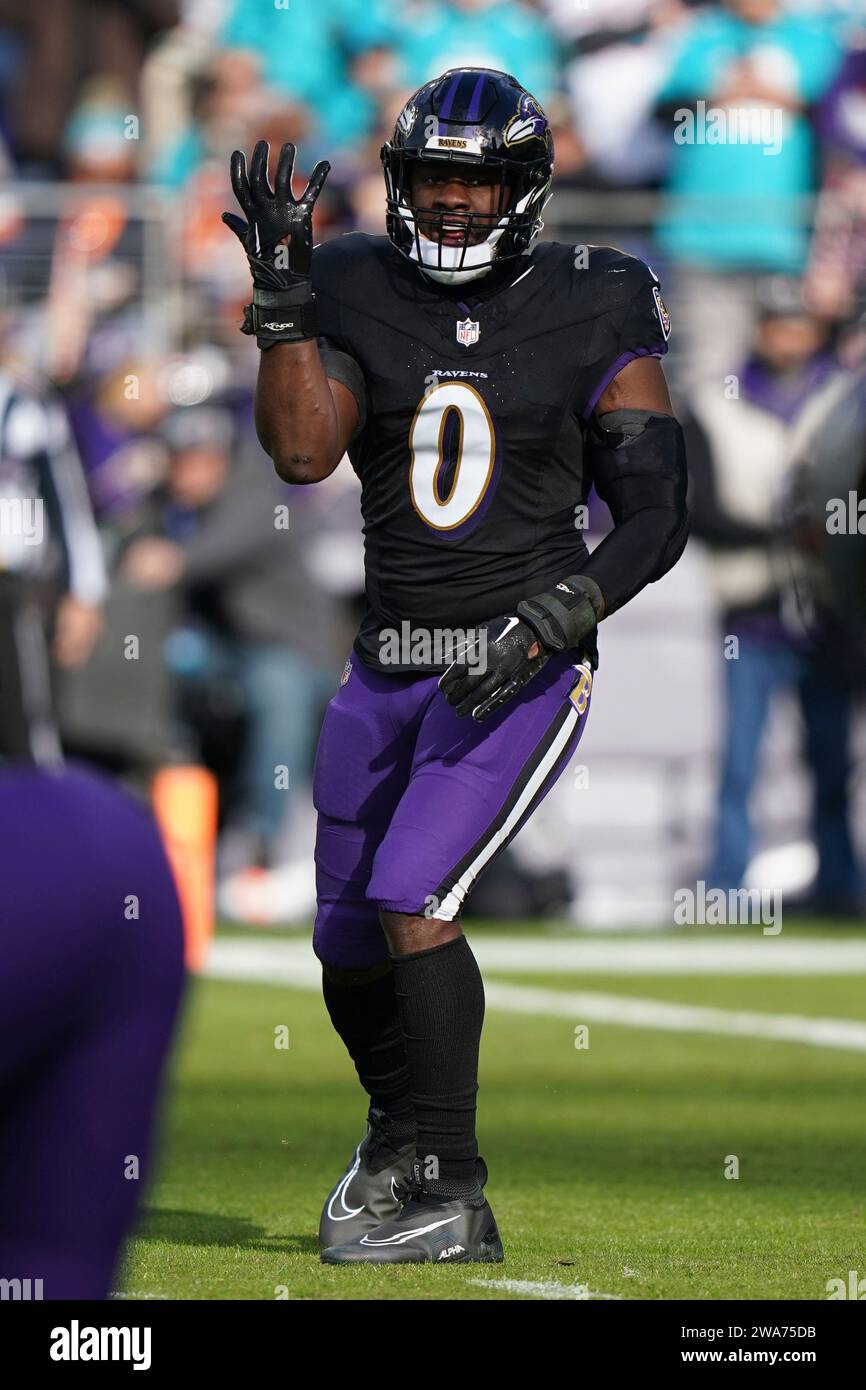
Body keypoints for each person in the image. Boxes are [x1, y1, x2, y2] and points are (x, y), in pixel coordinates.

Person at [223, 66, 688, 1264]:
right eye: (432, 179)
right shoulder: (350, 279)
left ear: (524, 192)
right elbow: (300, 456)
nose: (451, 205)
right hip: (387, 659)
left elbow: (653, 513)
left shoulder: (595, 296)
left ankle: (453, 1186)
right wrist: (282, 304)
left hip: (517, 658)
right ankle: (393, 1140)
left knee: (412, 894)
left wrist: (551, 617)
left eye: (476, 184)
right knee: (340, 930)